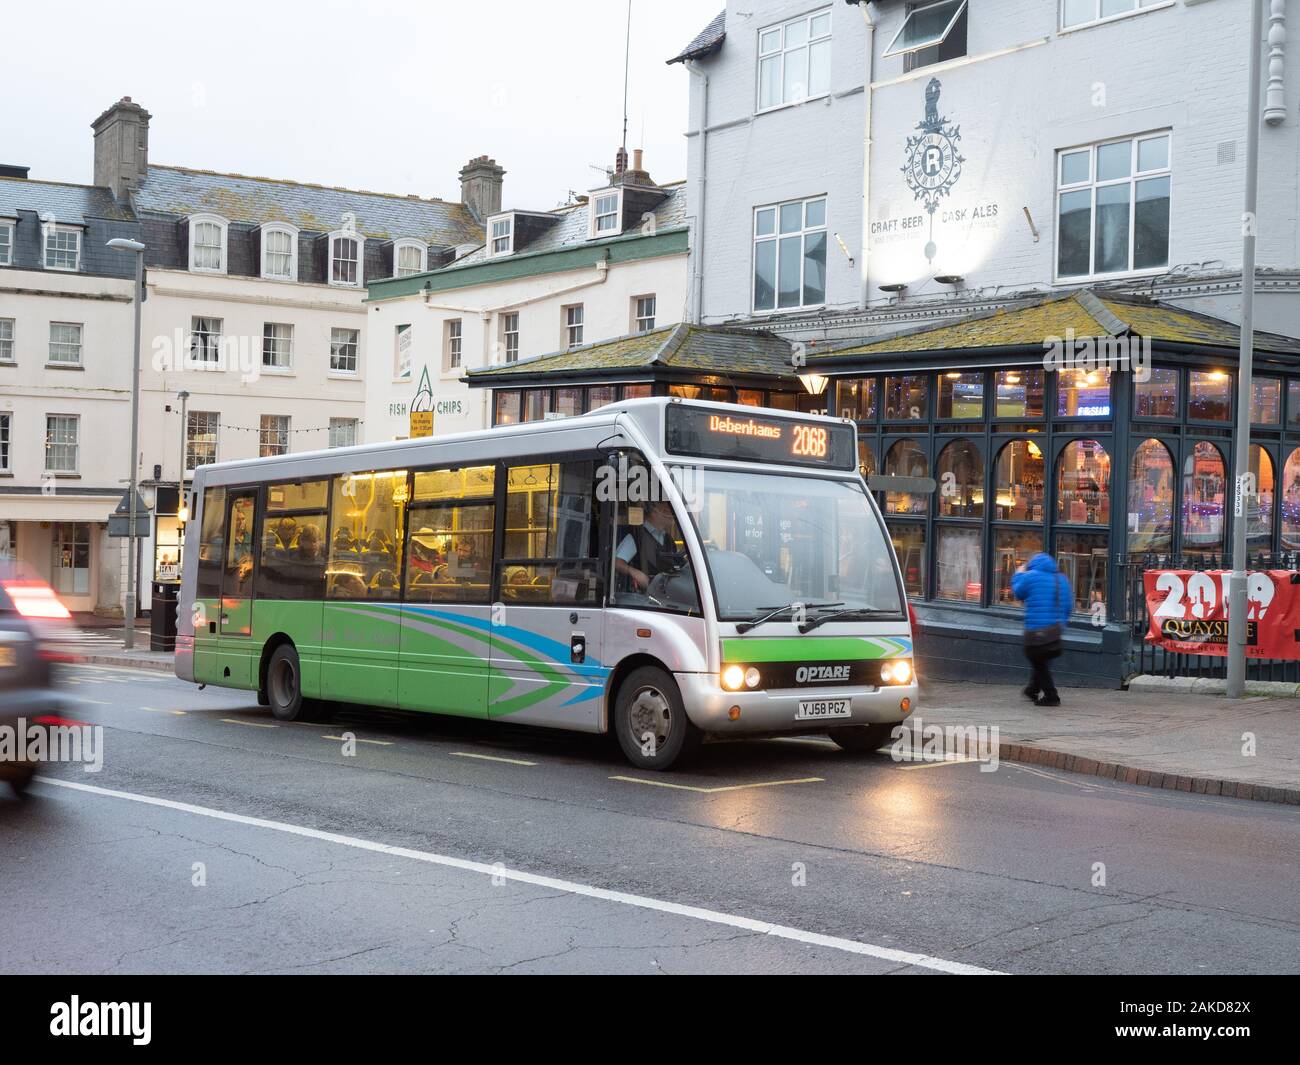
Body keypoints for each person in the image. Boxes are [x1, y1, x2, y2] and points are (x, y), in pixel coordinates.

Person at [1011, 552, 1072, 707]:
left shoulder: (1030, 576)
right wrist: (1061, 624)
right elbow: (1068, 605)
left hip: (1035, 630)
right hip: (1055, 631)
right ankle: (1032, 689)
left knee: (1036, 657)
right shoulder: (1061, 579)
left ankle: (1051, 696)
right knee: (1042, 659)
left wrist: (1018, 573)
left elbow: (1018, 592)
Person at [615, 498, 679, 592]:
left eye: (671, 511)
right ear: (653, 511)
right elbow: (616, 562)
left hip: (664, 594)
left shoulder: (669, 539)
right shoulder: (636, 536)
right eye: (665, 511)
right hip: (641, 597)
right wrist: (634, 572)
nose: (671, 515)